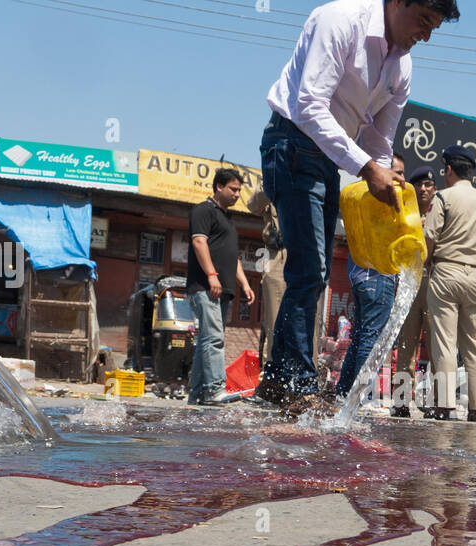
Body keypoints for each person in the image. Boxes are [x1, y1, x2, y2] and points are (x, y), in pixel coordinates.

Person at [256, 0, 460, 410]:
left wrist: (384, 180)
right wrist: (368, 169)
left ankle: (279, 381)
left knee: (312, 272)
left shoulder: (401, 66)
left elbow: (380, 142)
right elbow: (309, 105)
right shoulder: (340, 20)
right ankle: (293, 383)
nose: (426, 35)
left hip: (330, 161)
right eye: (423, 21)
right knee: (309, 270)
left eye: (434, 28)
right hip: (292, 144)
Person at [423, 144, 476, 422]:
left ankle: (446, 407)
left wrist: (429, 261)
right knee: (475, 344)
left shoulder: (442, 198)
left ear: (448, 170)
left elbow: (429, 238)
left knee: (445, 342)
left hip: (446, 271)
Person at [335, 154, 406, 397]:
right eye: (397, 172)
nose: (401, 178)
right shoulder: (384, 200)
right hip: (379, 273)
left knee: (360, 337)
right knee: (371, 339)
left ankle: (344, 394)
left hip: (359, 274)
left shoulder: (359, 194)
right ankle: (359, 399)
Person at [187, 168, 256, 406]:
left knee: (207, 340)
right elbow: (199, 242)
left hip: (222, 288)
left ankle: (198, 394)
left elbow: (232, 256)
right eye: (233, 189)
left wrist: (245, 283)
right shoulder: (203, 210)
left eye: (239, 190)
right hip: (205, 286)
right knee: (214, 338)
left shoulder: (227, 219)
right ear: (219, 187)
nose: (237, 194)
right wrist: (212, 275)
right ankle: (215, 389)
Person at [391, 162, 436, 417]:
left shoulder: (441, 214)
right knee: (406, 347)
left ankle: (434, 404)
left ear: (435, 188)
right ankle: (400, 403)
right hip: (409, 282)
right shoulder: (404, 212)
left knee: (436, 349)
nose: (422, 189)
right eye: (418, 184)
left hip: (434, 284)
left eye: (428, 185)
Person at [247, 187, 287, 368]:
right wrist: (272, 179)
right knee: (274, 321)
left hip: (305, 253)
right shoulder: (274, 181)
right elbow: (253, 205)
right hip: (278, 254)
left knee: (304, 322)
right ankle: (271, 376)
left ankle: (301, 380)